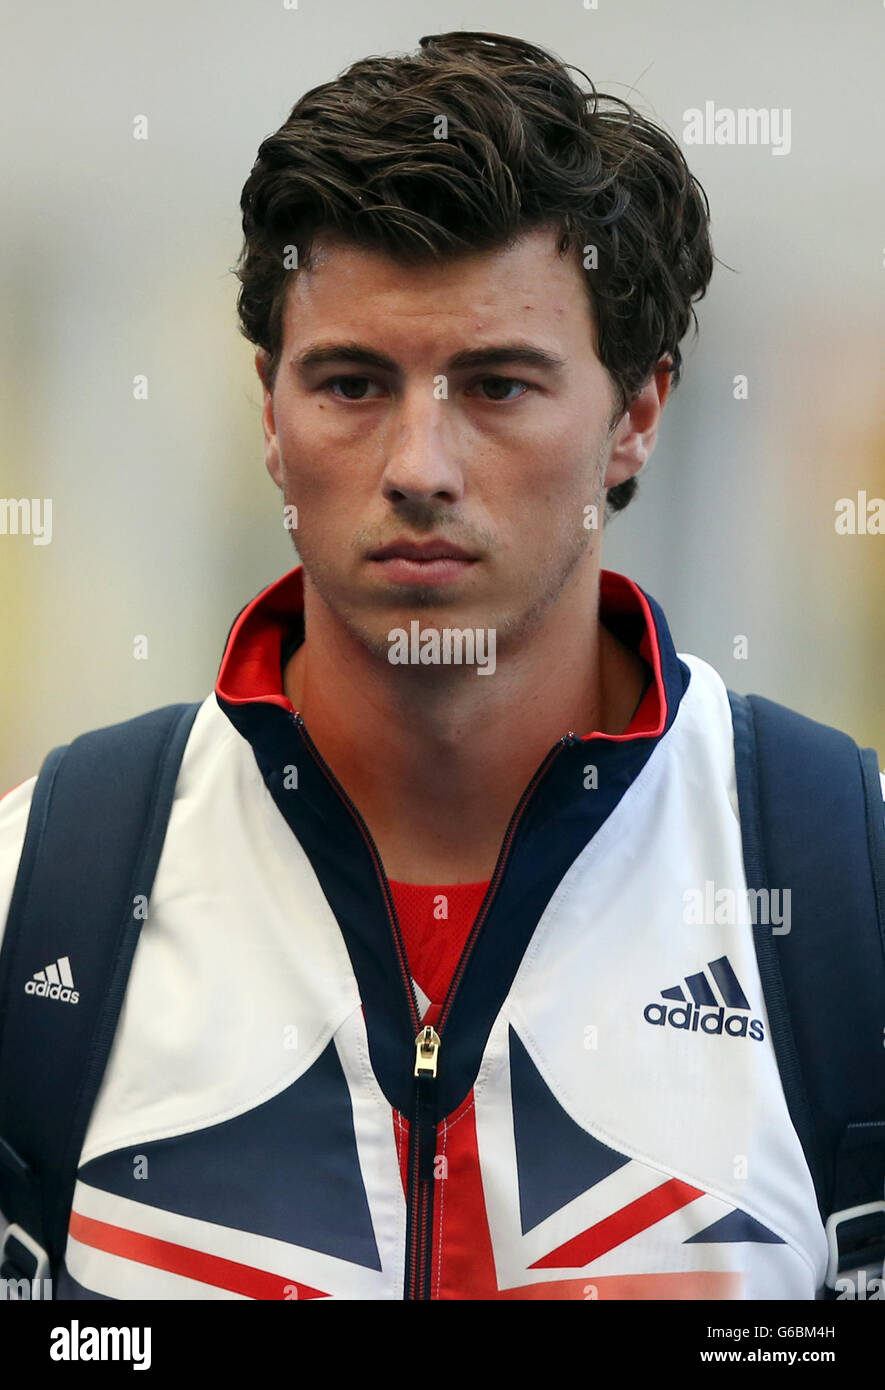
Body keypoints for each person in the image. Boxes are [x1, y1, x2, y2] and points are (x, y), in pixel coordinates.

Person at [0, 29, 881, 1302]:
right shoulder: (44, 890)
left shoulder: (845, 900)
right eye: (353, 383)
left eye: (498, 386)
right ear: (269, 411)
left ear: (637, 415)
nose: (419, 463)